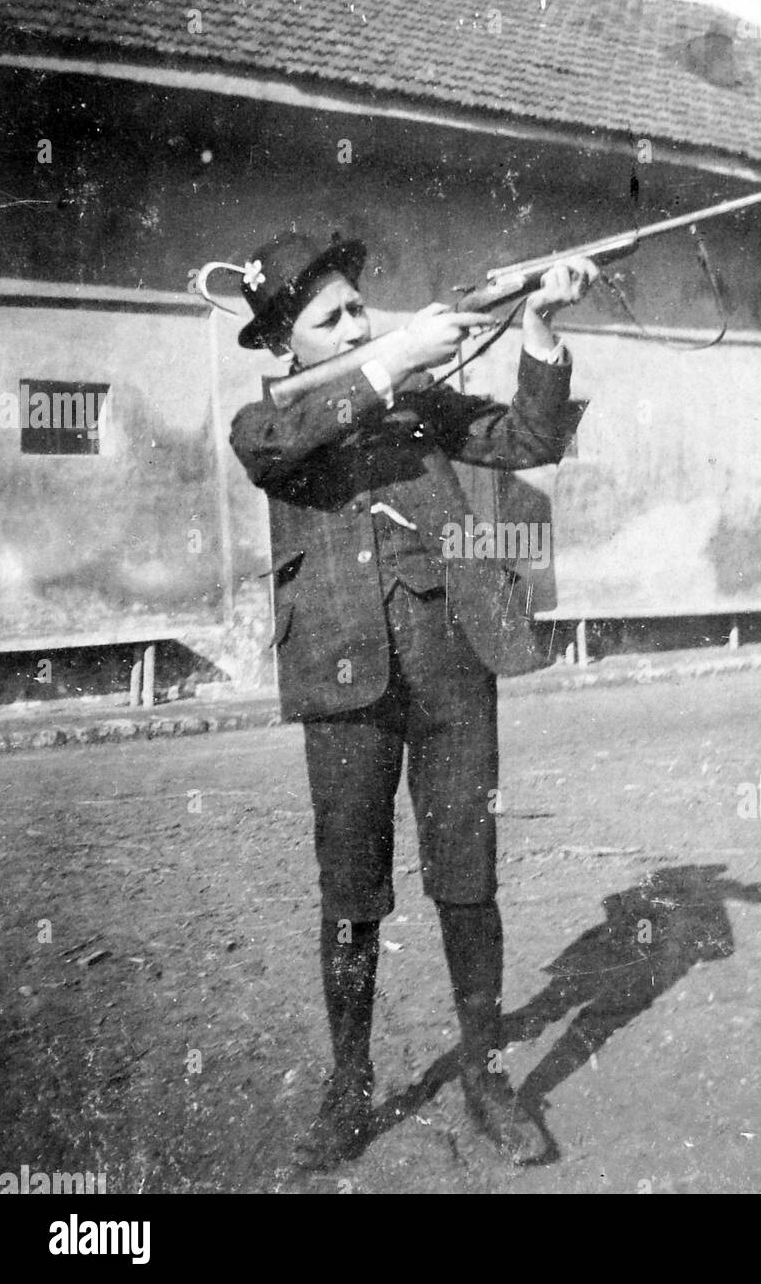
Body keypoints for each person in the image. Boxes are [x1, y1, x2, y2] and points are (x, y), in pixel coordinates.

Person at [224, 228, 595, 1169]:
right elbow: (282, 442)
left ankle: (484, 1078)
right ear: (285, 346)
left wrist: (539, 325)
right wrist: (389, 363)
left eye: (360, 307)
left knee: (467, 883)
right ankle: (348, 1090)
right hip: (341, 683)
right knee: (352, 895)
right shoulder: (270, 421)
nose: (356, 322)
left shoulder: (419, 406)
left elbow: (532, 436)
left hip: (452, 668)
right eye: (331, 316)